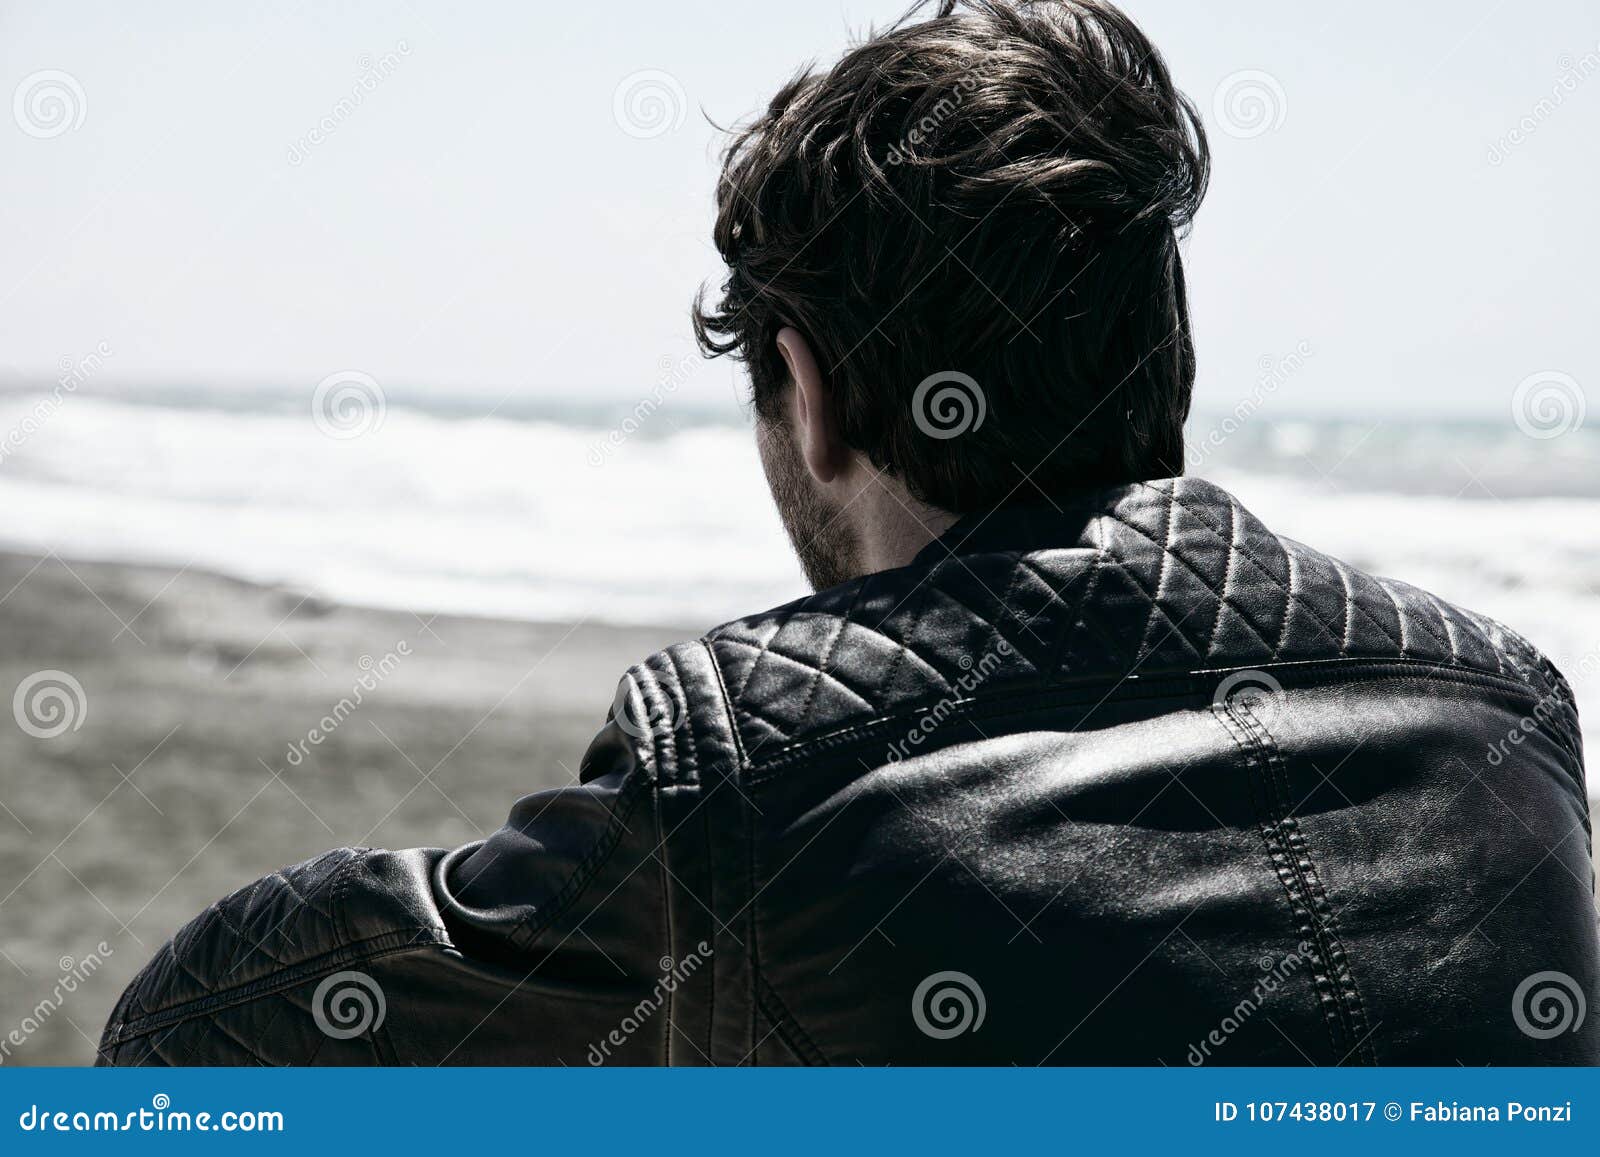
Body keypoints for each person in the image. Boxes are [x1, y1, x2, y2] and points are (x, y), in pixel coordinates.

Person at [99, 0, 1597, 1066]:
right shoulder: (1510, 710)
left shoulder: (753, 779)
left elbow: (203, 1037)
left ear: (807, 394)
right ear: (1173, 367)